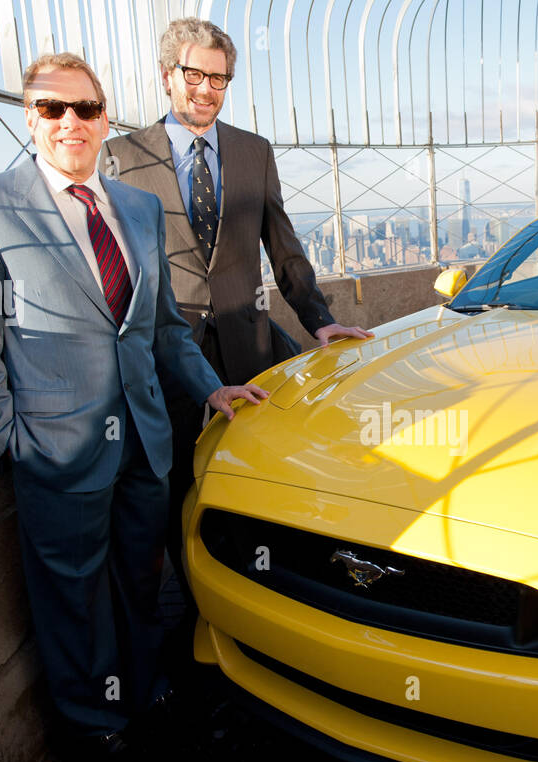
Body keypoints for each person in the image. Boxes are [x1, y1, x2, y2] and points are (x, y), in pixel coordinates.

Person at [0, 52, 268, 762]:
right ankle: (92, 715)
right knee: (72, 595)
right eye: (52, 109)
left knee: (140, 579)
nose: (70, 124)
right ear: (29, 117)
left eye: (85, 109)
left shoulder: (139, 208)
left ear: (104, 116)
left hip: (144, 442)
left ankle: (145, 687)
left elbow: (160, 327)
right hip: (54, 451)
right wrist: (13, 440)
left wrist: (211, 385)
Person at [100, 17, 371, 631]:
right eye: (194, 74)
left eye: (219, 78)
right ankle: (198, 607)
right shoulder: (120, 157)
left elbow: (283, 243)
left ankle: (264, 600)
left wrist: (319, 322)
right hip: (165, 353)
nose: (206, 89)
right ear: (168, 75)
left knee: (255, 478)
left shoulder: (253, 150)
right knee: (168, 484)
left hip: (246, 343)